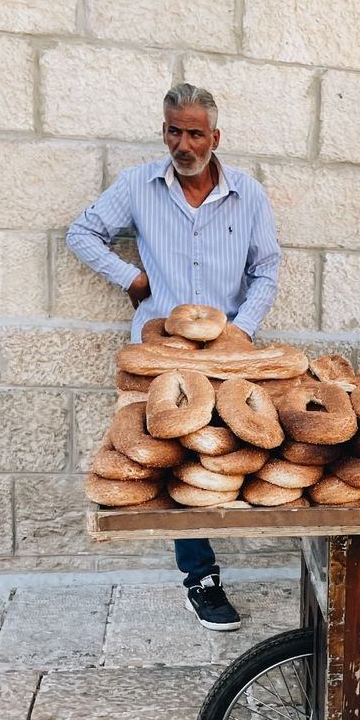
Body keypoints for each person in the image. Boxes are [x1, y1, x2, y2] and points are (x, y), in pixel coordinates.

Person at [66, 83, 281, 631]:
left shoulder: (248, 194)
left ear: (215, 137)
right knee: (176, 454)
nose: (184, 145)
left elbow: (266, 269)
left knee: (225, 451)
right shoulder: (138, 185)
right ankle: (201, 578)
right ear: (164, 131)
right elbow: (82, 233)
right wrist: (132, 278)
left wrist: (241, 331)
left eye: (194, 134)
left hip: (228, 355)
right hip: (160, 351)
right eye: (174, 132)